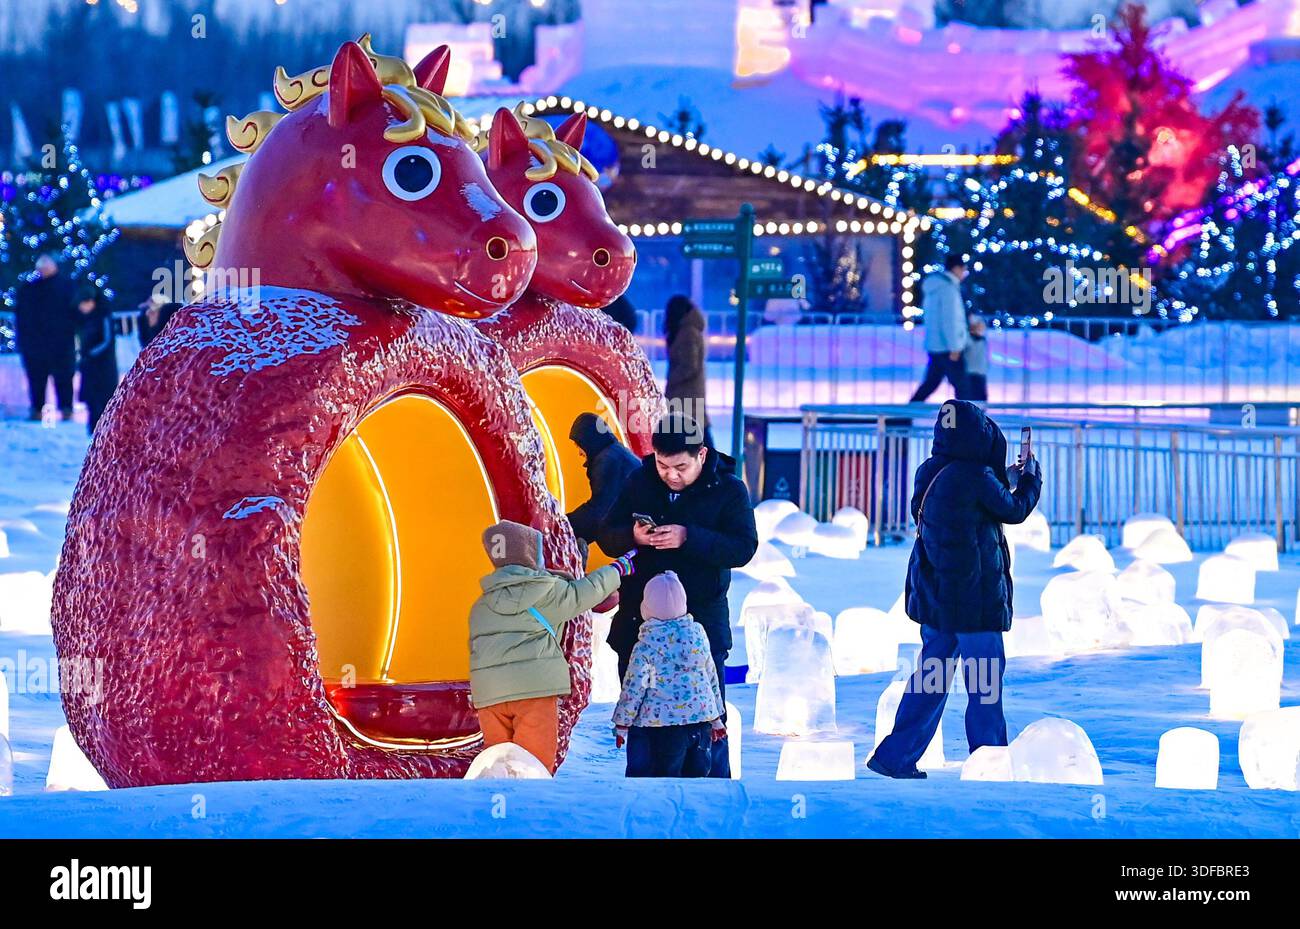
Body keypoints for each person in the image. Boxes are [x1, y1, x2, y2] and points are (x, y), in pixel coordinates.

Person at [867, 400, 1041, 779]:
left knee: (930, 679)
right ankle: (990, 762)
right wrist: (1030, 481)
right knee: (984, 684)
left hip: (938, 599)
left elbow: (973, 500)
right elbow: (1013, 509)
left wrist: (1001, 477)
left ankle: (895, 756)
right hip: (974, 603)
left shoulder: (932, 470)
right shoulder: (975, 476)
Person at [599, 413, 758, 777]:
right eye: (662, 464)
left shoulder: (729, 489)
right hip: (639, 630)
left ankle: (713, 800)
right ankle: (642, 803)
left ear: (702, 454)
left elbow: (744, 547)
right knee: (642, 722)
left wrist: (690, 537)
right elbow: (606, 534)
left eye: (681, 466)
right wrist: (633, 537)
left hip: (702, 627)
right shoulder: (639, 480)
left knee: (707, 722)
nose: (671, 474)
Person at [469, 519, 634, 772]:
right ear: (529, 554)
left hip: (489, 694)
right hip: (532, 690)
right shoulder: (545, 592)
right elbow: (586, 592)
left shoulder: (481, 604)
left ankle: (500, 807)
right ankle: (530, 808)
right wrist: (617, 569)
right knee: (533, 764)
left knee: (499, 765)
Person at [612, 571, 726, 777]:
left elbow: (634, 688)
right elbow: (711, 678)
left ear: (645, 607)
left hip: (662, 727)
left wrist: (622, 722)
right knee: (697, 780)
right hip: (700, 725)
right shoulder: (698, 636)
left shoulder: (646, 645)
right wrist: (716, 718)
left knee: (666, 781)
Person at [14, 253, 77, 421]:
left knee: (63, 378)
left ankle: (65, 409)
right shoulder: (29, 290)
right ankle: (37, 409)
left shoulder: (66, 287)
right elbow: (22, 317)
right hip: (36, 344)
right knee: (37, 378)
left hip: (60, 342)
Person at [565, 412, 640, 547]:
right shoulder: (615, 452)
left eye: (578, 445)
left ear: (588, 441)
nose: (579, 452)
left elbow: (599, 510)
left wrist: (564, 526)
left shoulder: (607, 461)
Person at [909, 254, 970, 403]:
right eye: (964, 270)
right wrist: (955, 347)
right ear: (956, 269)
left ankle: (904, 415)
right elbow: (950, 320)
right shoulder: (948, 290)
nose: (964, 274)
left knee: (931, 383)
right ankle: (969, 420)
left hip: (936, 344)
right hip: (948, 348)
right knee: (963, 388)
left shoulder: (935, 288)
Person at [663, 295, 714, 448]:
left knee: (693, 433)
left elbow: (689, 365)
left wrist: (672, 381)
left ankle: (716, 468)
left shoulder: (688, 333)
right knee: (692, 433)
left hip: (686, 394)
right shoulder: (687, 331)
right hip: (687, 393)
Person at [74, 288, 120, 434]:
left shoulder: (103, 316)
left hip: (104, 365)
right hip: (89, 365)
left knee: (105, 397)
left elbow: (107, 340)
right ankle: (93, 427)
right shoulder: (86, 318)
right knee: (91, 398)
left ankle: (107, 429)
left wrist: (92, 354)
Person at [963, 313, 989, 403]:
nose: (981, 328)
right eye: (977, 326)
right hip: (970, 373)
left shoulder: (982, 339)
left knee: (981, 398)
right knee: (971, 398)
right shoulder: (967, 339)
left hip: (980, 373)